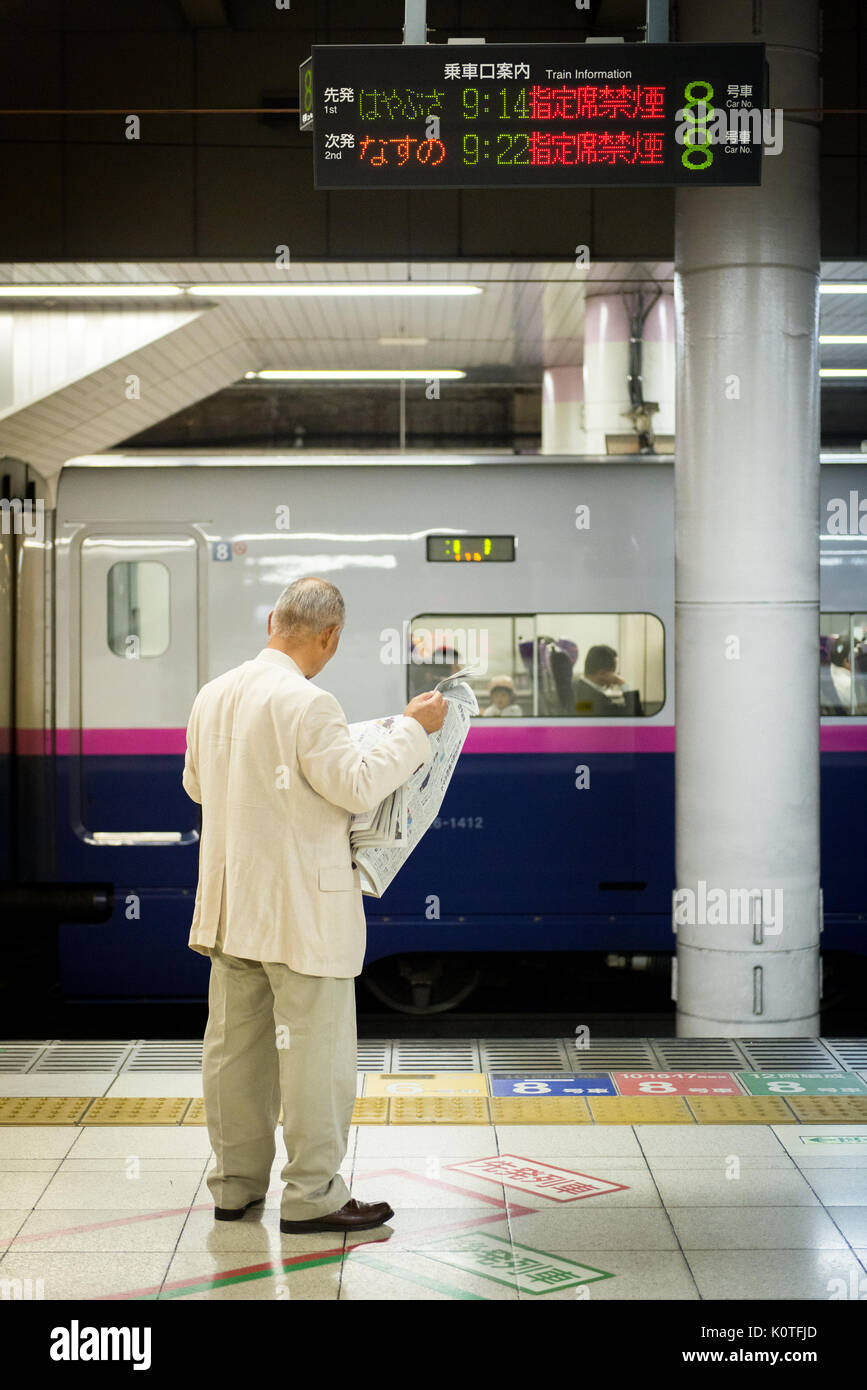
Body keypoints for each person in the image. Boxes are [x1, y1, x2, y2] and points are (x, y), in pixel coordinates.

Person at [182, 576, 446, 1235]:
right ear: (328, 636)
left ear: (273, 621)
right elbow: (355, 786)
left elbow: (196, 786)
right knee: (313, 1060)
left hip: (230, 907)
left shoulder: (212, 696)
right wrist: (412, 730)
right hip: (299, 915)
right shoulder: (309, 702)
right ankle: (313, 1196)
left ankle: (233, 1188)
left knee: (233, 1053)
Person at [572, 644, 643, 717]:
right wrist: (623, 683)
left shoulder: (574, 687)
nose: (616, 675)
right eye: (613, 671)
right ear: (602, 673)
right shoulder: (600, 703)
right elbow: (637, 716)